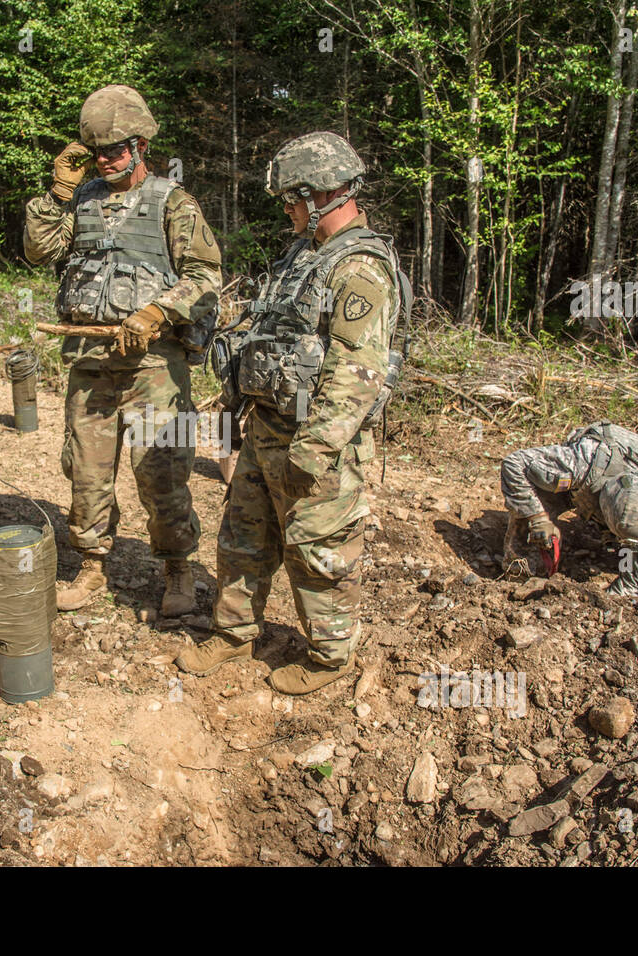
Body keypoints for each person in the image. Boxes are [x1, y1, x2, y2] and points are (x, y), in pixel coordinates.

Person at [178, 131, 402, 695]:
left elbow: (358, 372)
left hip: (317, 443)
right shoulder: (304, 255)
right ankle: (234, 634)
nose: (287, 210)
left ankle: (331, 657)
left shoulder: (359, 269)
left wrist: (317, 448)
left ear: (320, 194)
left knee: (317, 550)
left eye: (291, 200)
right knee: (243, 537)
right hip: (267, 427)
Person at [23, 85, 222, 616]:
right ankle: (91, 565)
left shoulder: (173, 201)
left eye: (116, 149)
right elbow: (37, 251)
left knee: (162, 470)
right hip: (91, 363)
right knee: (85, 471)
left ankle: (178, 569)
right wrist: (57, 194)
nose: (106, 160)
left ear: (140, 146)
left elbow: (206, 276)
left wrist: (157, 312)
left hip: (156, 365)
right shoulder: (82, 198)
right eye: (97, 152)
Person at [500, 422, 638, 595]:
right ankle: (521, 562)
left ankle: (628, 542)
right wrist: (538, 518)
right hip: (586, 481)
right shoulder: (584, 462)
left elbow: (637, 583)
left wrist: (609, 599)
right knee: (533, 523)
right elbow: (515, 465)